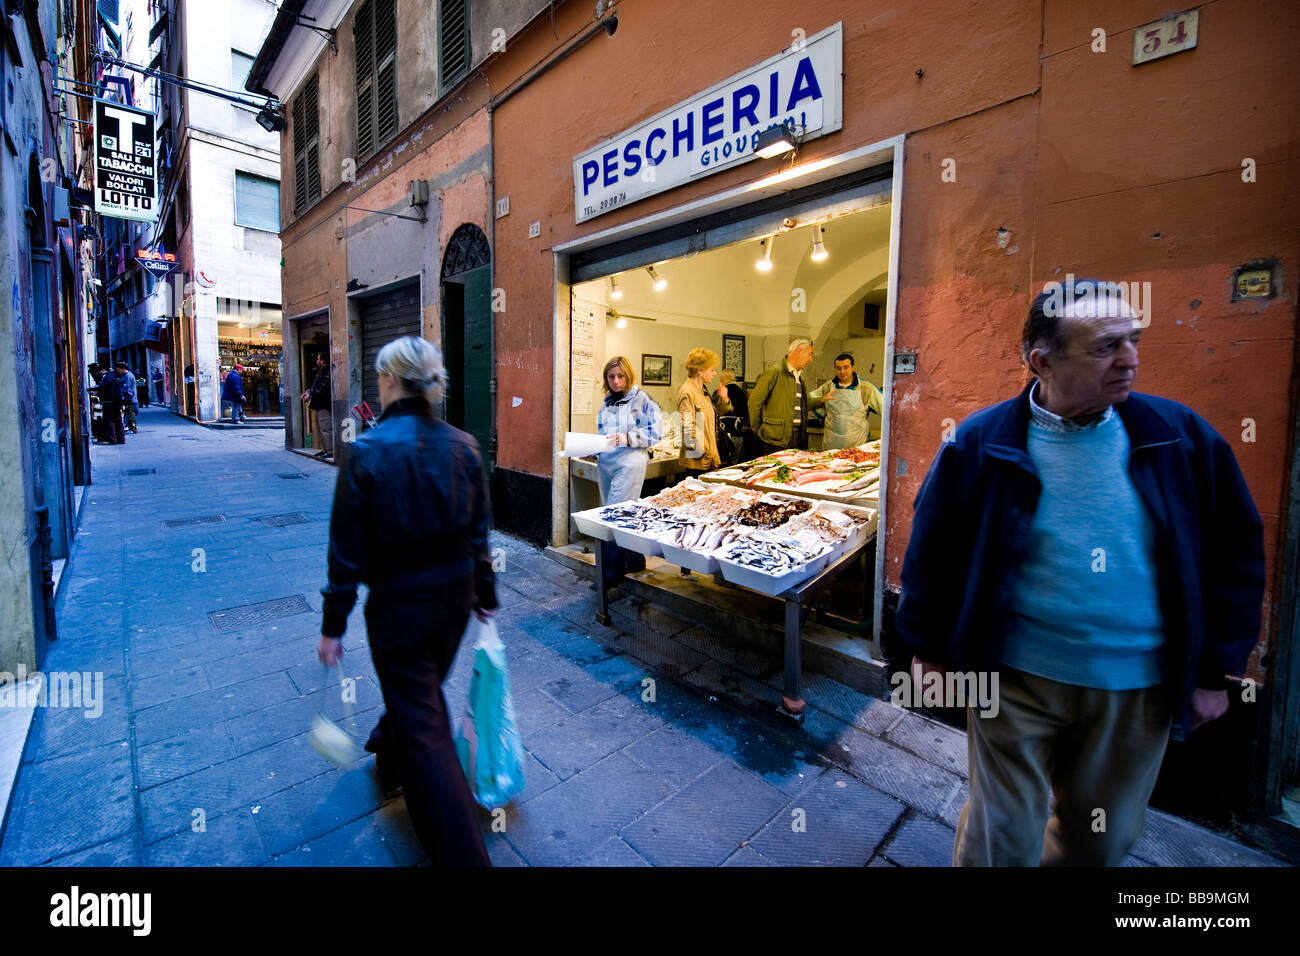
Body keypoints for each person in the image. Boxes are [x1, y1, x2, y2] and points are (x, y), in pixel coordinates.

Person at [896, 277, 1265, 867]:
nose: (1131, 360)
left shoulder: (1178, 437)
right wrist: (928, 651)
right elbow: (934, 554)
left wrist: (1217, 671)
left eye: (1133, 340)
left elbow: (1235, 554)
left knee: (1100, 840)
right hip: (1012, 677)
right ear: (1043, 361)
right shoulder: (982, 443)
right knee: (1001, 833)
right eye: (1105, 347)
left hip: (1136, 687)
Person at [316, 335, 495, 867]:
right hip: (454, 604)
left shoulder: (368, 451)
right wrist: (485, 593)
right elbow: (478, 531)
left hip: (398, 608)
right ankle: (388, 757)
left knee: (426, 728)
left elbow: (345, 553)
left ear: (390, 381)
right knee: (420, 695)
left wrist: (332, 626)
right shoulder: (464, 445)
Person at [595, 356, 663, 587]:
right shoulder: (607, 402)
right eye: (611, 376)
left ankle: (611, 573)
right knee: (621, 513)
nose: (616, 381)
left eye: (620, 376)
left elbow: (656, 433)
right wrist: (592, 447)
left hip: (629, 462)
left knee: (613, 515)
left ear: (628, 376)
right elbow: (603, 432)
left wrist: (629, 438)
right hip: (606, 463)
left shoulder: (642, 399)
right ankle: (634, 559)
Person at [749, 338, 814, 455]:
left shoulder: (799, 377)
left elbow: (804, 403)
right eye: (810, 354)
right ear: (799, 351)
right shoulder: (775, 372)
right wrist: (758, 429)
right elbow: (754, 401)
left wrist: (823, 400)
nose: (810, 359)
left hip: (796, 437)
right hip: (775, 440)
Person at [809, 352, 883, 449]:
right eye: (839, 368)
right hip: (831, 444)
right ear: (835, 369)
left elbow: (886, 409)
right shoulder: (827, 387)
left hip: (857, 445)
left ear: (853, 367)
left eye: (846, 367)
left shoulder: (866, 389)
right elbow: (808, 401)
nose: (842, 372)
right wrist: (822, 410)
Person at [676, 348, 722, 474]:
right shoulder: (688, 391)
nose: (715, 374)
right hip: (697, 462)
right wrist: (704, 450)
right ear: (700, 370)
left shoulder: (703, 391)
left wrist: (724, 400)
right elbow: (687, 428)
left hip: (709, 459)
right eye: (712, 370)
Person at [301, 353, 333, 458]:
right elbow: (315, 388)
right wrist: (308, 392)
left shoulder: (327, 372)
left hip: (324, 404)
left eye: (318, 359)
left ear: (323, 361)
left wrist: (310, 395)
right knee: (321, 428)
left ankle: (330, 450)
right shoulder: (320, 372)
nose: (316, 361)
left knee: (326, 428)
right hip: (319, 404)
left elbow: (321, 389)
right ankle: (324, 449)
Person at [97, 364, 127, 445]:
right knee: (118, 418)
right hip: (118, 400)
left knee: (109, 419)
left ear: (102, 370)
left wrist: (99, 394)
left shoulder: (107, 377)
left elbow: (102, 387)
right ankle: (121, 439)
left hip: (110, 400)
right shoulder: (114, 376)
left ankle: (112, 439)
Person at [119, 363, 139, 434]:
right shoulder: (126, 375)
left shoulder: (128, 376)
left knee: (131, 413)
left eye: (119, 370)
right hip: (130, 398)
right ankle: (130, 427)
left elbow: (127, 388)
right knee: (130, 413)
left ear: (123, 369)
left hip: (130, 398)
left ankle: (133, 428)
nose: (118, 372)